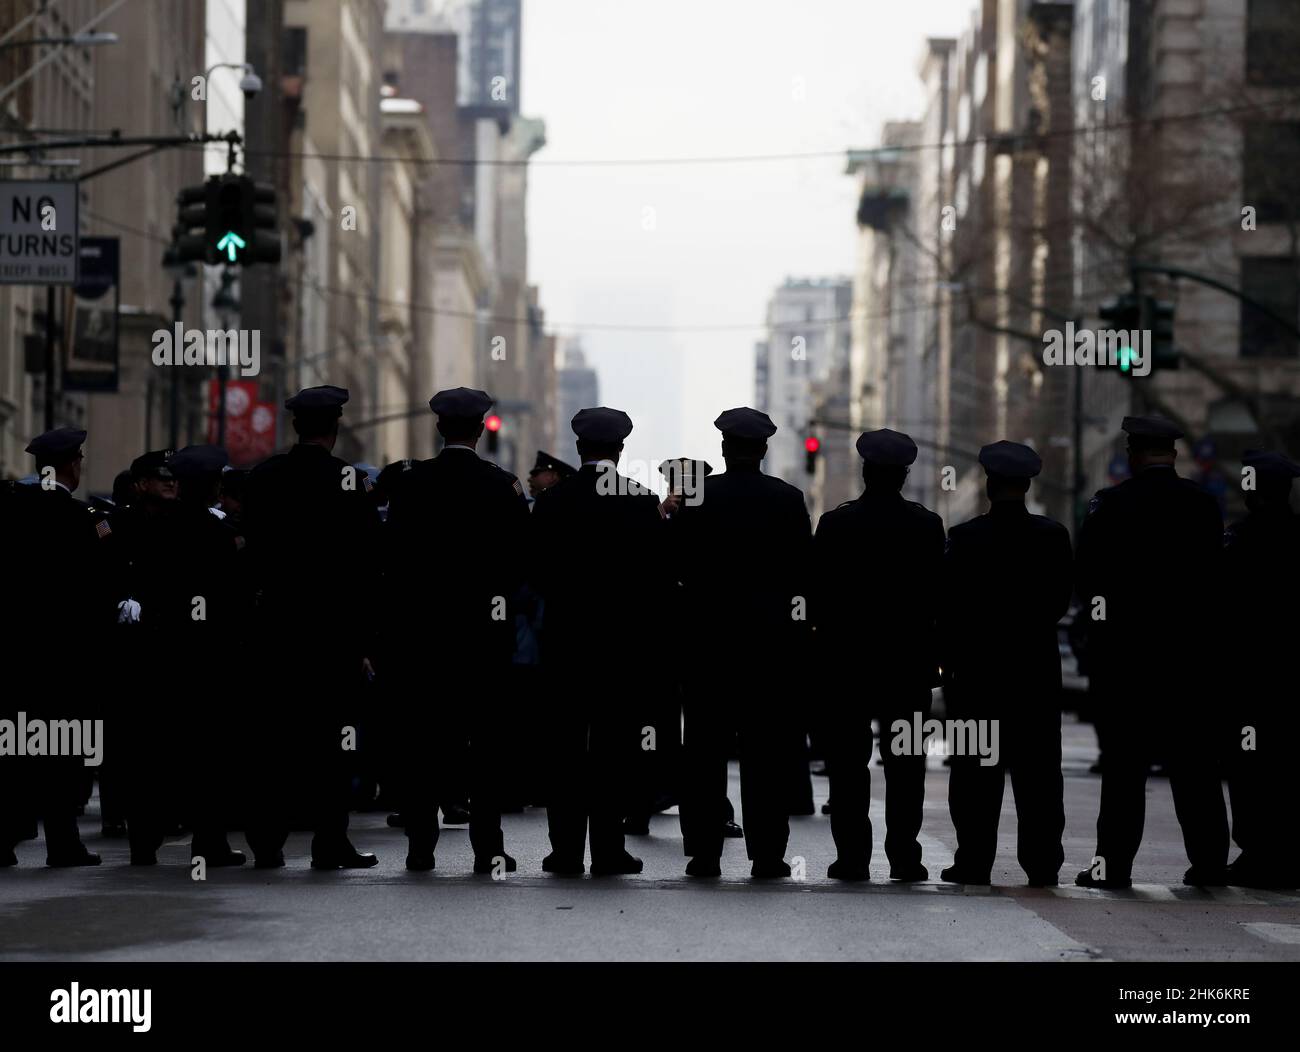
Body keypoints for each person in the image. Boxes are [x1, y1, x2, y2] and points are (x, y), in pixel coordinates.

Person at [1074, 415, 1229, 889]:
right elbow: (1215, 585)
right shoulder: (1204, 506)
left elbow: (1090, 583)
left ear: (1134, 453)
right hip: (1189, 662)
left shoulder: (1112, 505)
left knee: (1124, 772)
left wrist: (1097, 642)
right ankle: (1209, 865)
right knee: (1196, 770)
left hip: (1128, 663)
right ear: (1174, 454)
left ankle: (1113, 866)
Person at [382, 387, 530, 873]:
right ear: (480, 431)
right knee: (486, 745)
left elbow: (395, 560)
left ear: (438, 428)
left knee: (423, 740)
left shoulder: (412, 482)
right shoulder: (502, 485)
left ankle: (420, 846)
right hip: (483, 640)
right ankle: (487, 847)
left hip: (424, 636)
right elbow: (517, 564)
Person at [241, 385, 382, 870]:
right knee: (334, 741)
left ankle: (266, 840)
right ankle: (329, 841)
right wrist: (365, 639)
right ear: (335, 426)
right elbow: (367, 566)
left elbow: (249, 554)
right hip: (332, 632)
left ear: (295, 427)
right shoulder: (350, 481)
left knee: (274, 737)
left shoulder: (265, 477)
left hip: (276, 628)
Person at [674, 408, 810, 879]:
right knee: (764, 755)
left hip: (707, 649)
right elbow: (802, 579)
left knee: (704, 754)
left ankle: (705, 851)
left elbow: (677, 571)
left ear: (724, 449)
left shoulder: (697, 501)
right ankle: (768, 853)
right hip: (768, 652)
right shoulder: (788, 501)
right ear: (764, 450)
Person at [529, 407, 665, 875]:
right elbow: (657, 582)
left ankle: (564, 851)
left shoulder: (552, 502)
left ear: (579, 449)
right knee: (613, 751)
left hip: (565, 644)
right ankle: (609, 851)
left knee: (564, 750)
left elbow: (537, 574)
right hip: (620, 650)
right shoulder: (641, 502)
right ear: (620, 449)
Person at [812, 429, 943, 882]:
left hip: (847, 666)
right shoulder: (927, 526)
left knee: (848, 766)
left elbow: (817, 596)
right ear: (905, 476)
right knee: (906, 767)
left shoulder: (835, 524)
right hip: (906, 665)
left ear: (864, 471)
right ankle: (904, 857)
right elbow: (937, 598)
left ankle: (852, 858)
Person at [939, 441, 1072, 886]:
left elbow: (949, 611)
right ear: (1028, 484)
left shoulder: (964, 538)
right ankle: (1042, 863)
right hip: (1034, 675)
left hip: (978, 677)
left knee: (975, 776)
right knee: (1039, 776)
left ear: (990, 486)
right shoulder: (1053, 536)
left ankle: (973, 861)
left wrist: (948, 665)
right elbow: (1057, 603)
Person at [109, 447, 245, 867]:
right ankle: (208, 843)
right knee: (206, 755)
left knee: (149, 751)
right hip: (202, 659)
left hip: (152, 655)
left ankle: (143, 842)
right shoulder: (214, 532)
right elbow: (230, 599)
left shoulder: (148, 526)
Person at [1, 428, 115, 867]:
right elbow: (100, 588)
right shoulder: (82, 519)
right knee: (64, 753)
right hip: (66, 657)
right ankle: (63, 843)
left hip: (16, 653)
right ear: (72, 464)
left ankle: (4, 837)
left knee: (14, 749)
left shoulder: (9, 510)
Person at [1221, 449, 1300, 889]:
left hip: (1251, 680)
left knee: (1250, 766)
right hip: (1291, 679)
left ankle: (1257, 850)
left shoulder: (1240, 539)